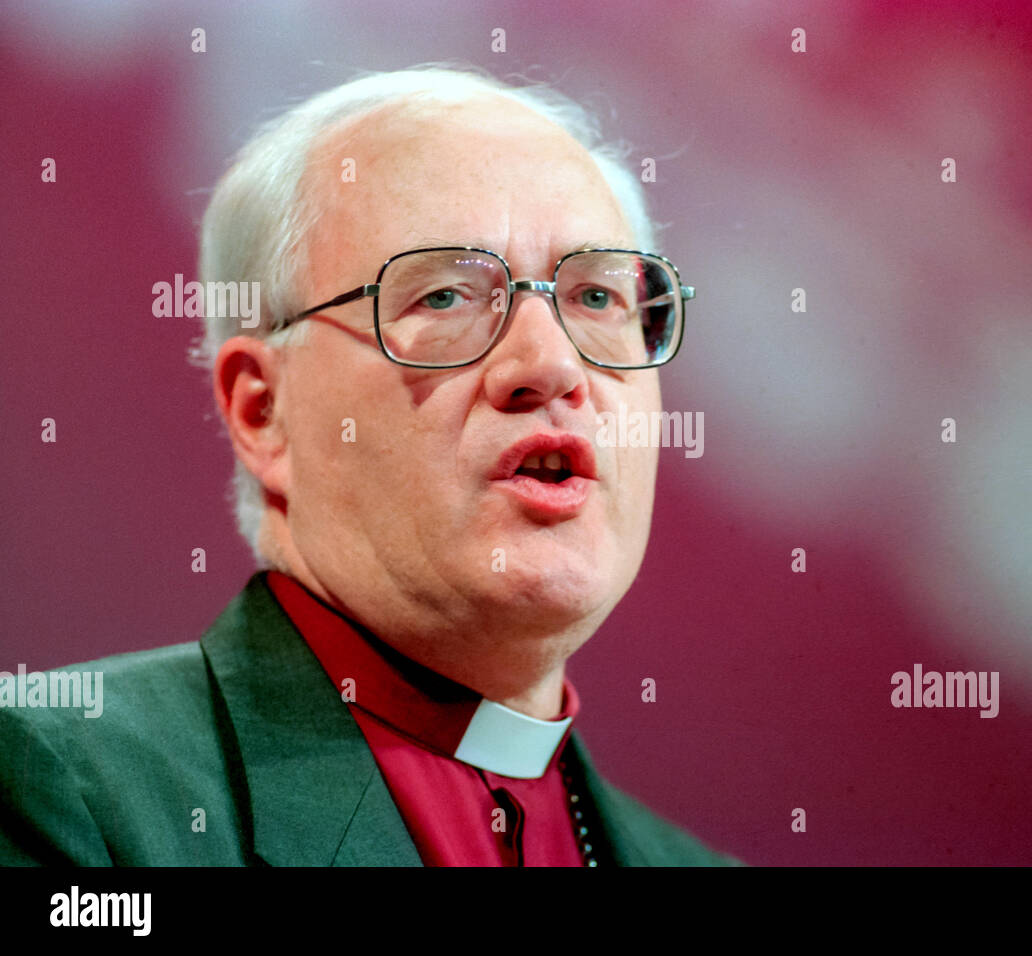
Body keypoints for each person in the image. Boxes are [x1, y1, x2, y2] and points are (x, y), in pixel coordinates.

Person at [0, 65, 739, 867]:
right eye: (447, 297)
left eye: (597, 298)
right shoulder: (67, 793)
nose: (552, 365)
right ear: (263, 411)